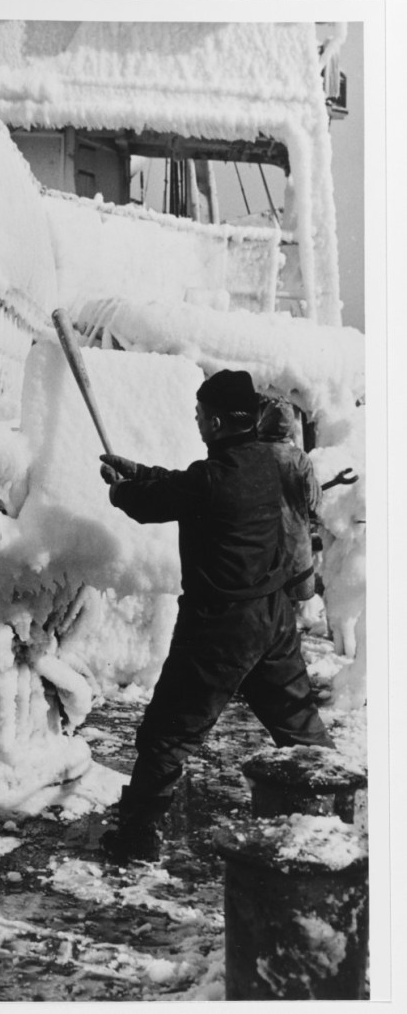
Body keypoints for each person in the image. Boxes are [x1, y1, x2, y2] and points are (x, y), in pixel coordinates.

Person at [97, 369, 334, 865]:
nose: (197, 422)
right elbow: (181, 486)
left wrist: (122, 490)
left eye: (201, 415)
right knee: (299, 727)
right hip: (273, 621)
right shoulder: (266, 463)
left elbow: (157, 503)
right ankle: (337, 813)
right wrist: (138, 471)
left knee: (168, 733)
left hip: (220, 629)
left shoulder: (213, 478)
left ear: (220, 421)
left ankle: (137, 838)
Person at [257, 395, 321, 604]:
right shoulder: (299, 458)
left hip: (260, 540)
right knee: (290, 602)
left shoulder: (252, 454)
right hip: (294, 543)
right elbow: (313, 502)